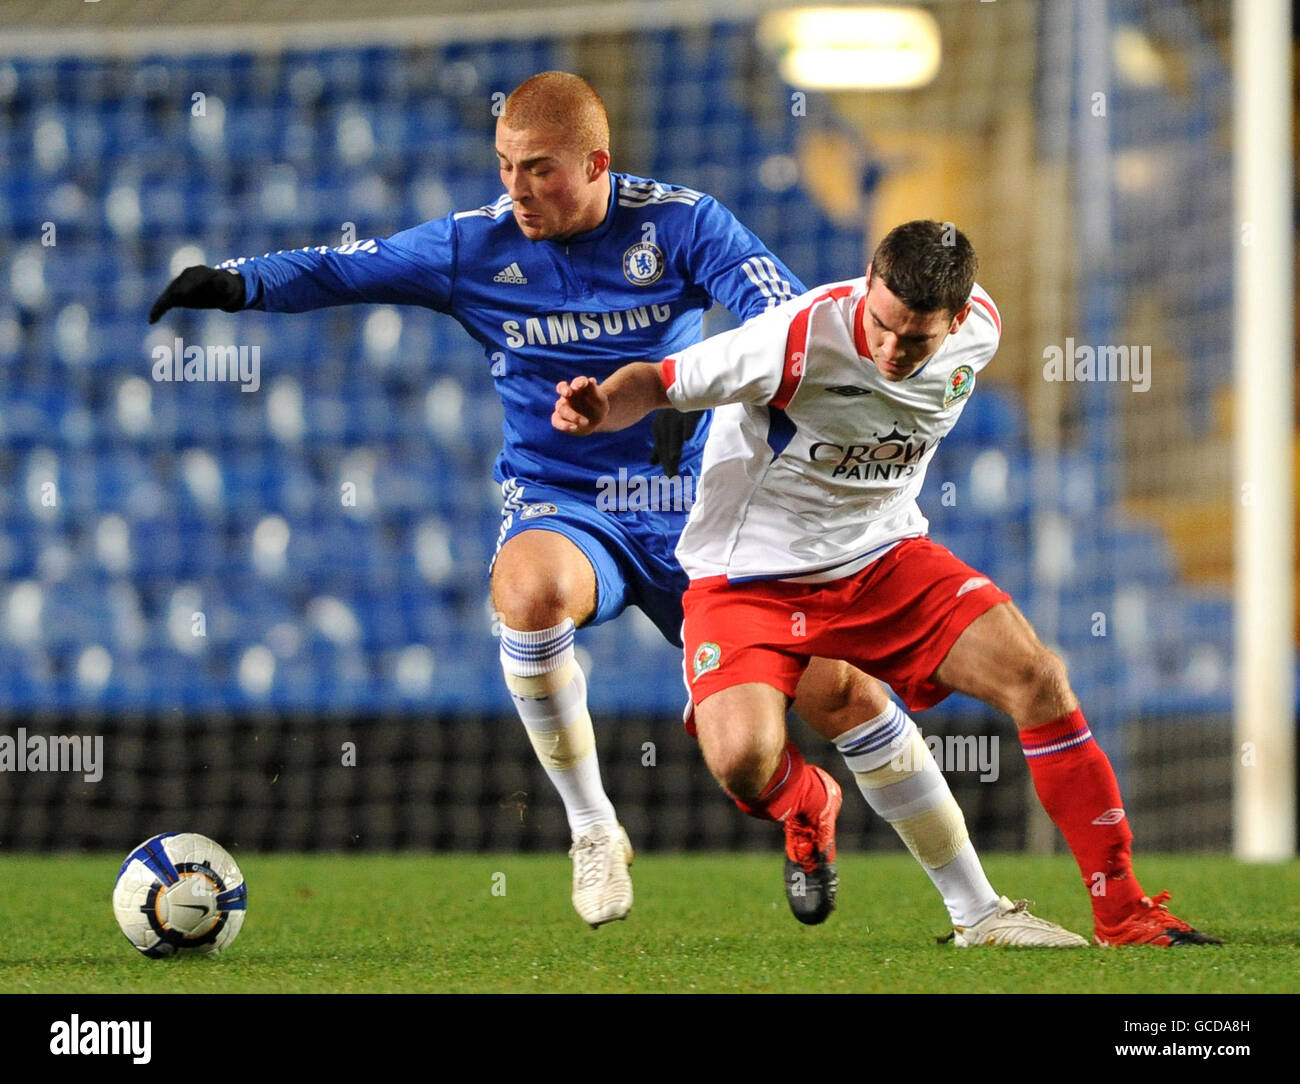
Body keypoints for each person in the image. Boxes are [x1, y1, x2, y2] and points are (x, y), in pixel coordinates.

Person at [151, 73, 1073, 946]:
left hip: (703, 513)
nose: (518, 188)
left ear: (597, 165)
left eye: (539, 170)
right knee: (526, 593)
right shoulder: (476, 246)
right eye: (506, 166)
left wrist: (707, 398)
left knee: (840, 696)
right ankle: (593, 828)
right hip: (565, 501)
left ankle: (973, 905)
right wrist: (237, 284)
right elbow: (351, 269)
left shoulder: (681, 224)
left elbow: (781, 315)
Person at [553, 218, 1221, 947]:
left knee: (1039, 680)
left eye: (917, 340)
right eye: (882, 328)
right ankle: (807, 803)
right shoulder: (793, 339)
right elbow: (659, 381)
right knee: (743, 763)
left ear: (958, 320)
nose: (893, 351)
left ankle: (1121, 912)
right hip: (749, 578)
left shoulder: (982, 331)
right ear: (865, 287)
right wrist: (598, 408)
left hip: (881, 559)